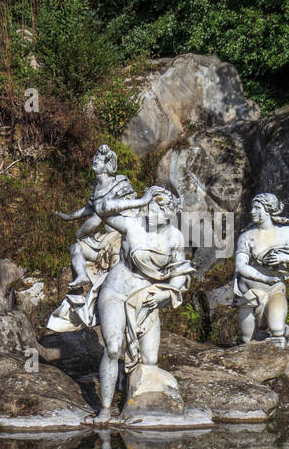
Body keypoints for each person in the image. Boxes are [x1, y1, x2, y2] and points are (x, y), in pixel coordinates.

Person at [92, 186, 194, 422]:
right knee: (113, 348)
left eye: (157, 207)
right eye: (149, 206)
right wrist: (140, 200)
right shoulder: (133, 224)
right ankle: (105, 409)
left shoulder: (174, 237)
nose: (150, 211)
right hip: (117, 290)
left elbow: (180, 272)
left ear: (169, 213)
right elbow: (101, 210)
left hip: (149, 297)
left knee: (149, 361)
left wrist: (167, 295)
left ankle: (131, 400)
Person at [47, 144, 136, 332]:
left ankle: (116, 314)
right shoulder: (97, 186)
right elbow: (90, 209)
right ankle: (81, 276)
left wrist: (80, 231)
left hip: (117, 239)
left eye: (99, 160)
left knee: (115, 276)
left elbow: (98, 218)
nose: (94, 162)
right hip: (101, 239)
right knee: (76, 247)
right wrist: (70, 216)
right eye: (94, 159)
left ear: (108, 165)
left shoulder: (120, 183)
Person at [233, 193, 289, 347]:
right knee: (247, 341)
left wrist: (285, 258)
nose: (252, 212)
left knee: (277, 331)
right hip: (249, 294)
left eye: (258, 208)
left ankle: (286, 338)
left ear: (269, 210)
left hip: (275, 290)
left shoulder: (287, 234)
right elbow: (241, 266)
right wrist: (265, 279)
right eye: (252, 208)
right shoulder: (246, 237)